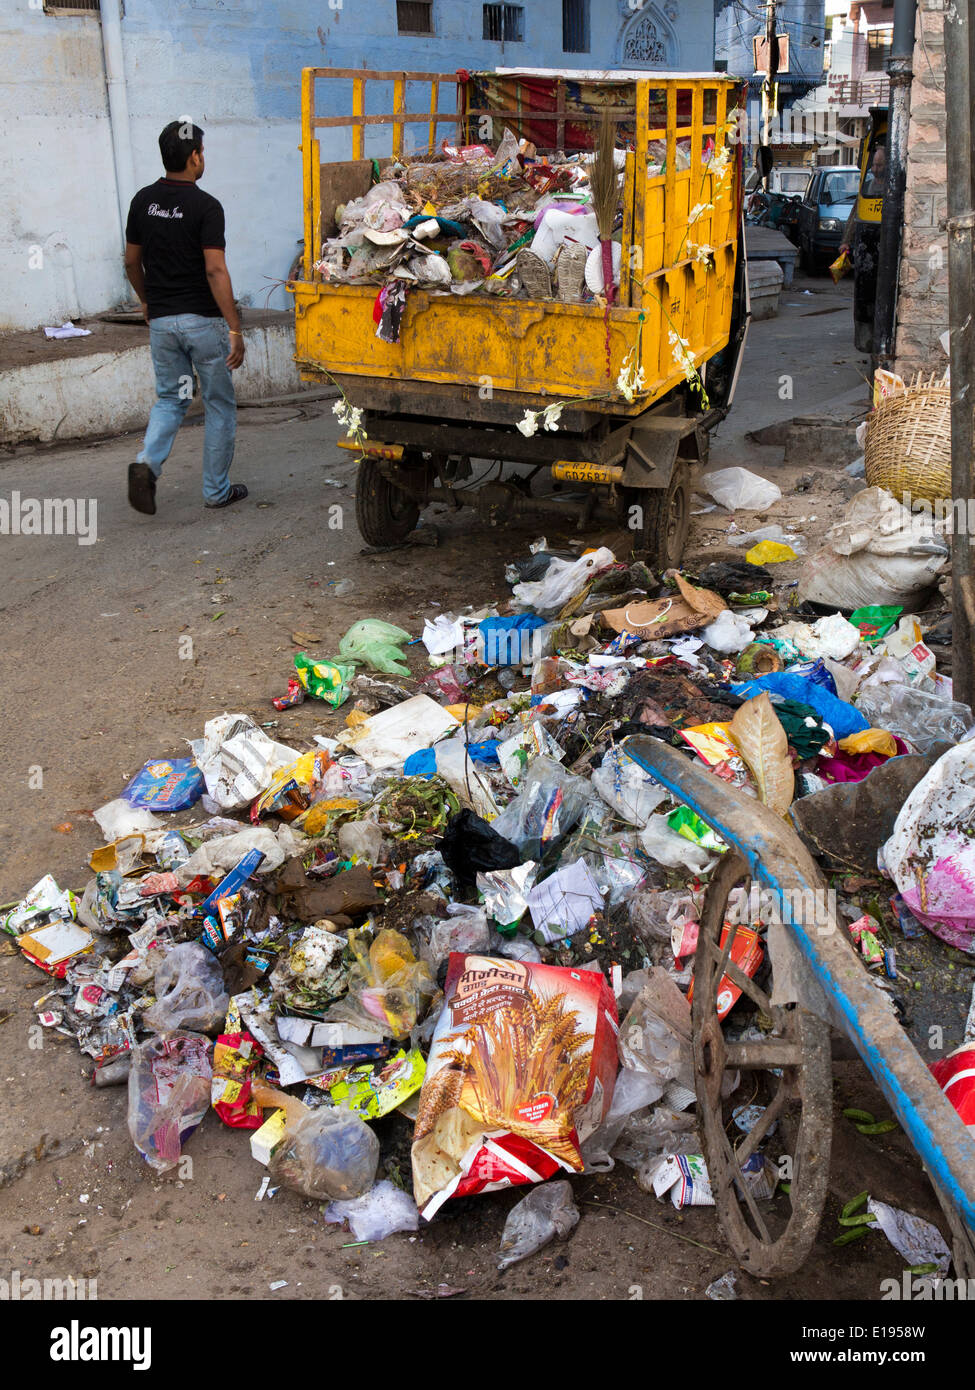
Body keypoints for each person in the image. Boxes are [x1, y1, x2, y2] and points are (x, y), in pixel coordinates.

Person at [124, 121, 247, 514]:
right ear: (194, 157)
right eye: (202, 152)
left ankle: (146, 464)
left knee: (173, 398)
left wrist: (146, 302)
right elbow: (215, 270)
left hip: (163, 325)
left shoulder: (143, 200)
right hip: (203, 326)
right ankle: (216, 491)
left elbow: (131, 261)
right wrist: (234, 327)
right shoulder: (206, 206)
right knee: (218, 404)